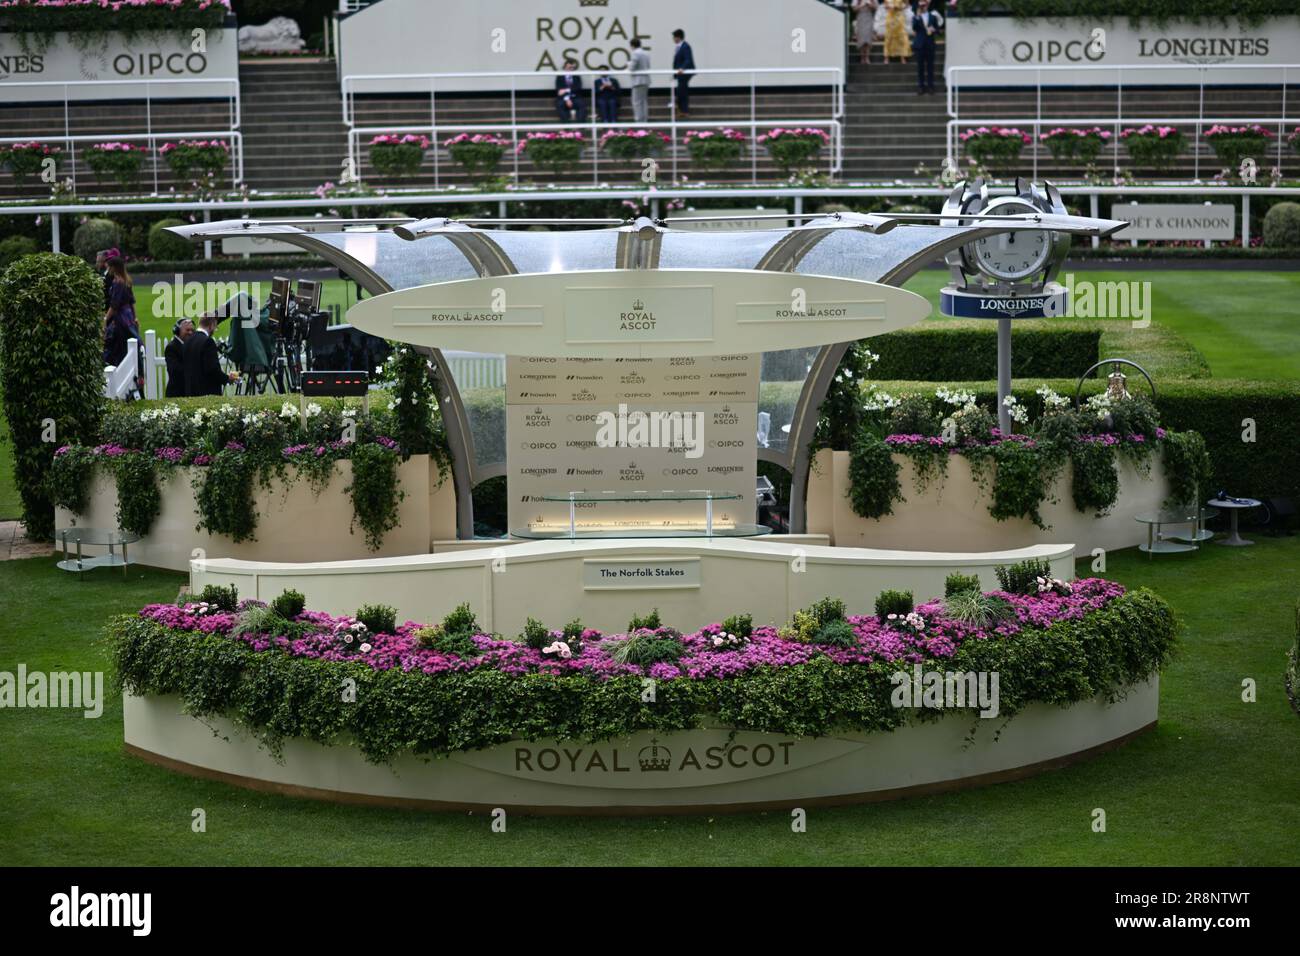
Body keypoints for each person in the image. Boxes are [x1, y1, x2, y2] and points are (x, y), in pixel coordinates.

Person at [102, 256, 140, 391]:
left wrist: (105, 319)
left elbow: (114, 305)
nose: (107, 269)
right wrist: (135, 317)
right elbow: (132, 301)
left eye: (109, 267)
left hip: (121, 318)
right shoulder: (126, 280)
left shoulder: (118, 282)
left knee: (114, 344)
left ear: (114, 267)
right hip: (128, 315)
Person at [183, 312, 237, 397]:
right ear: (211, 325)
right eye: (215, 327)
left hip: (191, 392)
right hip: (206, 392)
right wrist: (227, 379)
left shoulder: (188, 341)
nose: (215, 330)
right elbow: (212, 369)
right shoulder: (208, 341)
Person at [912, 0, 943, 94]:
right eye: (921, 6)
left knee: (930, 67)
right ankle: (921, 86)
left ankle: (931, 86)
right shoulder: (916, 17)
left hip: (930, 44)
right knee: (920, 67)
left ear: (927, 6)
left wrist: (934, 30)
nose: (923, 7)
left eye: (924, 5)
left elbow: (938, 30)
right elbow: (914, 28)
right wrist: (917, 16)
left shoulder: (933, 17)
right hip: (920, 45)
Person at [164, 318, 193, 398]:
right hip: (176, 393)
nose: (190, 333)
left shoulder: (190, 345)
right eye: (187, 330)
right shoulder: (171, 347)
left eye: (192, 330)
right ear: (177, 331)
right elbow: (174, 370)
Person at [671, 28, 695, 117]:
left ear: (678, 37)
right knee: (680, 91)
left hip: (684, 74)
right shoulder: (679, 47)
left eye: (674, 37)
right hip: (680, 74)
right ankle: (682, 111)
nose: (673, 39)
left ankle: (684, 111)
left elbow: (688, 59)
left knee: (682, 91)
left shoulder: (685, 46)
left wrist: (682, 68)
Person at [629, 37, 652, 123]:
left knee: (637, 102)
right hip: (646, 80)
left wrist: (628, 64)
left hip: (638, 81)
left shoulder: (635, 53)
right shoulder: (646, 53)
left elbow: (632, 67)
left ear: (632, 45)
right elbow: (648, 66)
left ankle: (638, 121)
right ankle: (644, 120)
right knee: (644, 101)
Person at [882, 0, 909, 65]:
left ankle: (903, 57)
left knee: (901, 36)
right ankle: (886, 57)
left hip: (899, 17)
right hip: (890, 17)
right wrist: (888, 7)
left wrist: (900, 8)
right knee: (889, 37)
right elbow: (885, 6)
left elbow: (906, 4)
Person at [852, 0, 878, 65]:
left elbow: (876, 8)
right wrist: (861, 5)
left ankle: (867, 57)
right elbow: (854, 9)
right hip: (860, 18)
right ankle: (862, 57)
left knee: (868, 39)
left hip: (869, 18)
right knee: (861, 39)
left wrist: (869, 5)